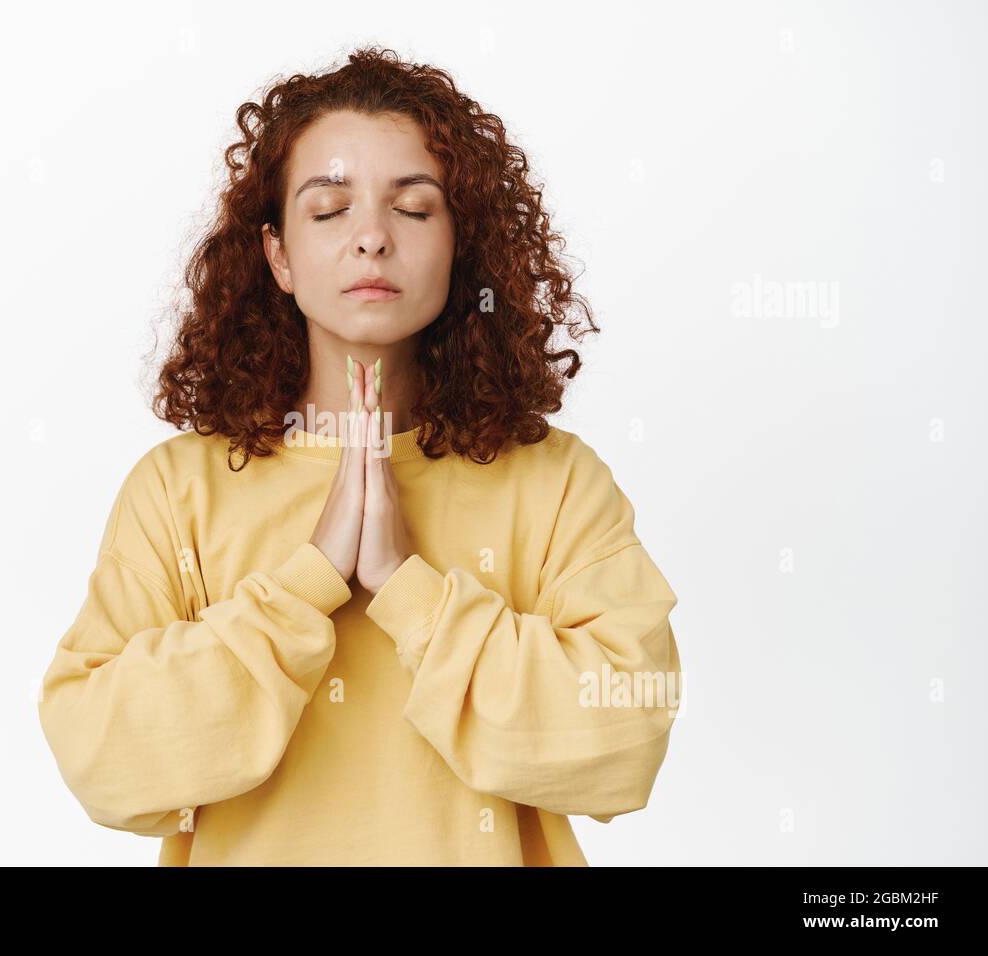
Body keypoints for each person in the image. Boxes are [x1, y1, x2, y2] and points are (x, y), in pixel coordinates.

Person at [37, 46, 682, 866]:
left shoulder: (557, 484)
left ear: (459, 246)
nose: (372, 237)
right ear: (277, 255)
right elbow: (102, 761)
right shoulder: (177, 491)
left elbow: (624, 742)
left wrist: (411, 592)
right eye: (330, 208)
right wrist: (308, 581)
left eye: (414, 210)